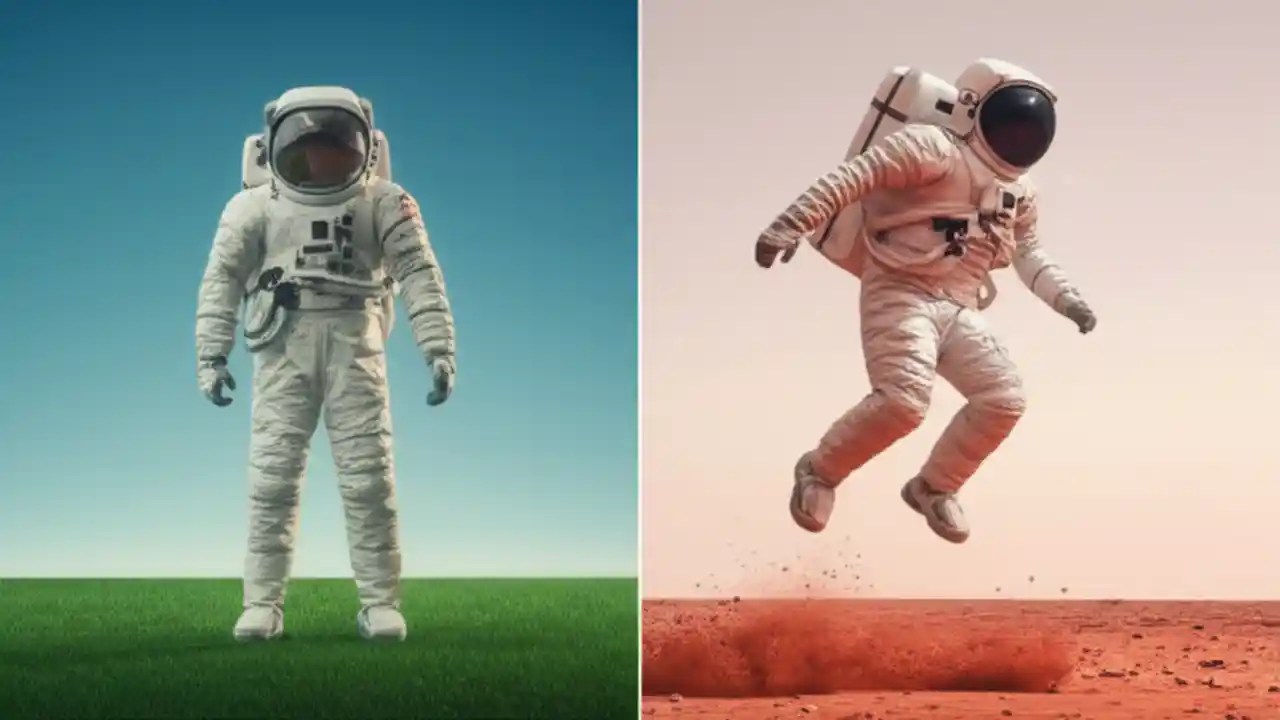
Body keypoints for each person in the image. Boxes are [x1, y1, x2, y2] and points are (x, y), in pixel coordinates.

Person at [755, 59, 1096, 544]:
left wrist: (1068, 302)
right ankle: (818, 472)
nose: (1021, 137)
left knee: (1003, 399)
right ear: (973, 108)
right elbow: (852, 179)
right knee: (903, 402)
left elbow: (1028, 253)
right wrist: (791, 223)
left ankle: (935, 487)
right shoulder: (930, 148)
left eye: (1031, 128)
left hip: (958, 306)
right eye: (1012, 121)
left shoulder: (1022, 192)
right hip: (899, 289)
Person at [195, 86, 457, 641]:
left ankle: (380, 603)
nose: (320, 159)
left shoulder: (383, 202)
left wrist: (437, 347)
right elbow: (222, 281)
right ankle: (262, 604)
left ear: (364, 147)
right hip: (283, 345)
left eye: (334, 145)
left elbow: (417, 273)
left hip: (354, 344)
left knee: (369, 481)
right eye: (306, 146)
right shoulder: (253, 207)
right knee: (272, 482)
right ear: (274, 150)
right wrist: (211, 355)